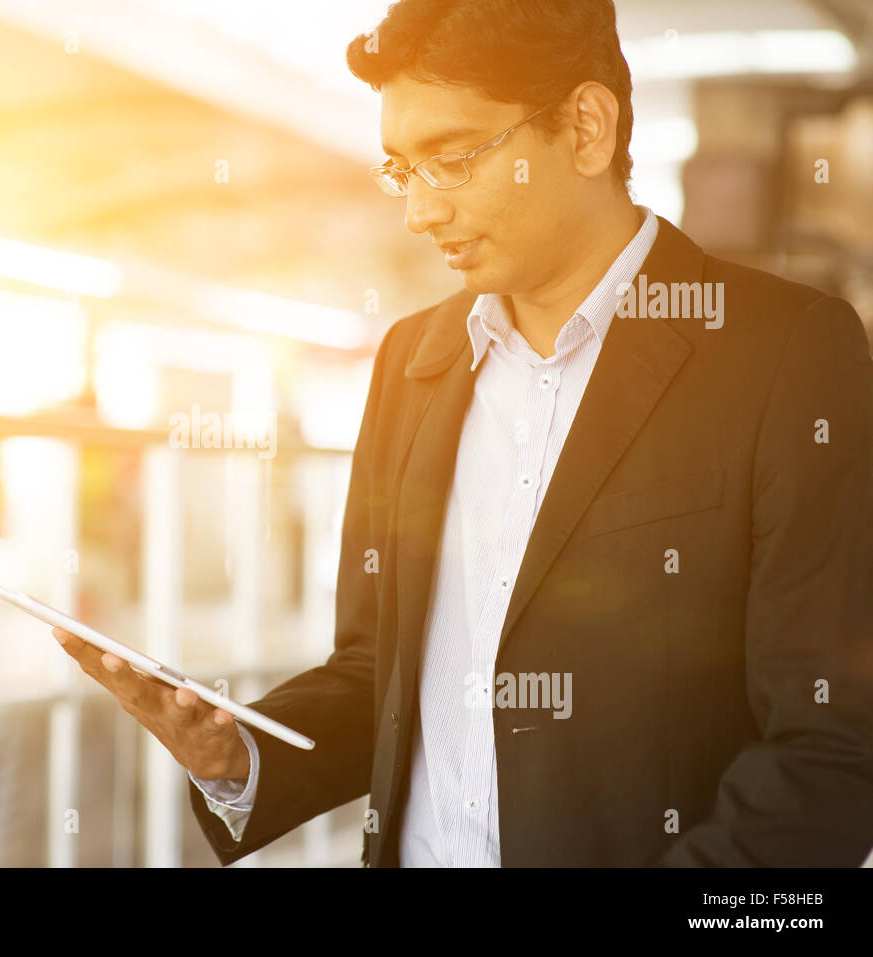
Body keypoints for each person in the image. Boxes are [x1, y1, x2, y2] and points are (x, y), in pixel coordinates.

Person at [53, 0, 873, 866]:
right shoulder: (415, 361)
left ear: (588, 128)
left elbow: (832, 748)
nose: (418, 212)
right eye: (400, 169)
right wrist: (241, 754)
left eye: (451, 159)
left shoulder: (784, 354)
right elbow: (380, 665)